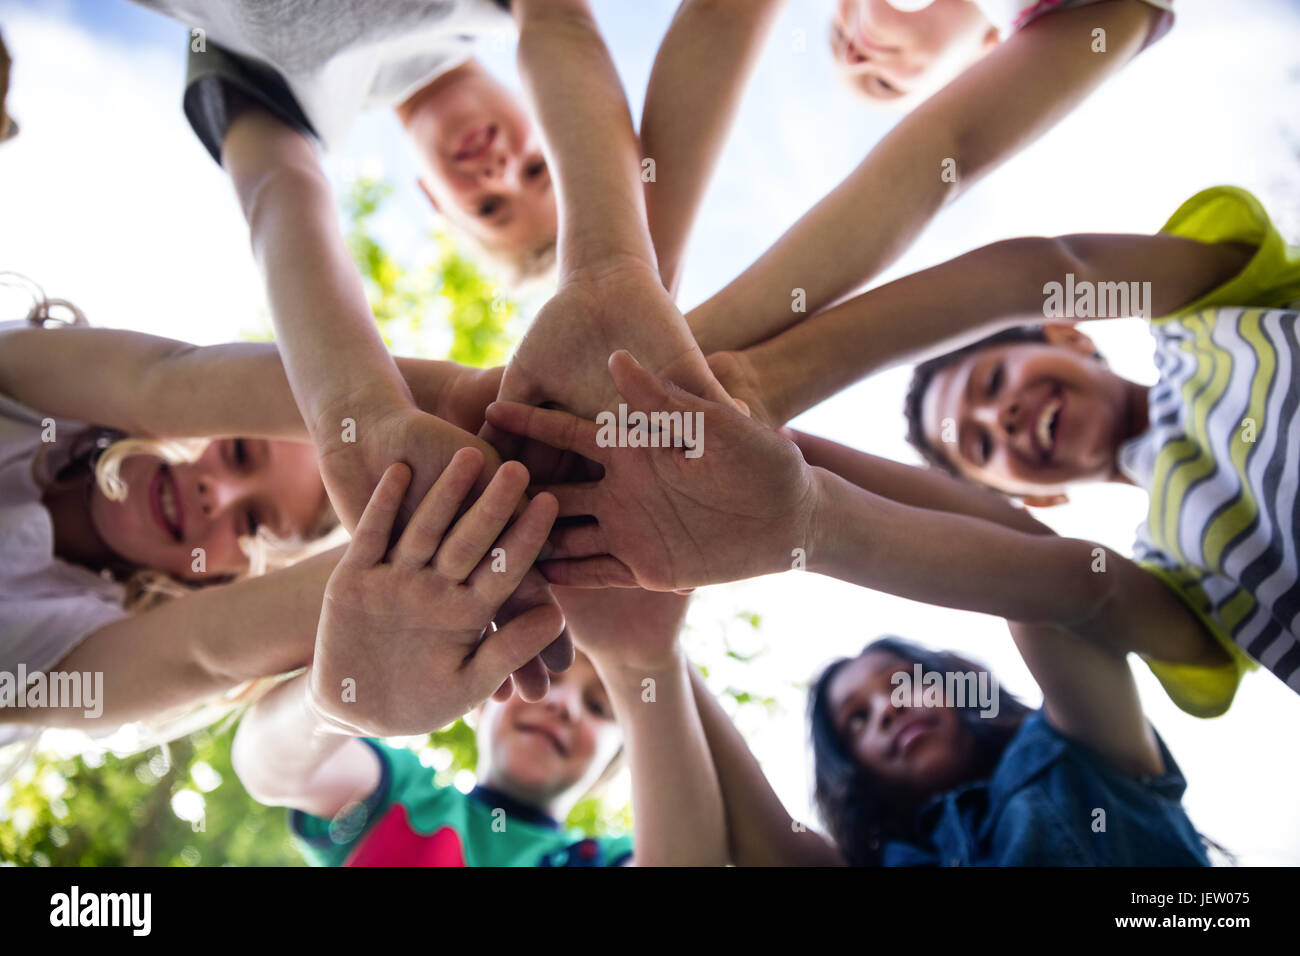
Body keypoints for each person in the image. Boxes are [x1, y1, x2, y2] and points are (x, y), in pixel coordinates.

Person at [0, 286, 558, 754]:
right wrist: (449, 396)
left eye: (249, 526)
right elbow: (165, 378)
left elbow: (204, 651)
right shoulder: (27, 400)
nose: (213, 495)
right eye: (238, 453)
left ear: (216, 578)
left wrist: (492, 540)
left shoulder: (72, 649)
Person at [233, 529, 726, 866]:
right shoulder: (403, 798)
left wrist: (650, 662)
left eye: (600, 707)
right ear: (482, 698)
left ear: (616, 761)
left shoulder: (605, 859)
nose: (564, 706)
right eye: (545, 678)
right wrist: (329, 703)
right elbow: (268, 768)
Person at [127, 0, 556, 284]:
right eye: (536, 168)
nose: (500, 174)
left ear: (433, 201)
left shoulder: (297, 124)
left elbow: (276, 210)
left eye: (489, 208)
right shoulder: (512, 9)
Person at [688, 635, 1212, 866]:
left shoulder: (1081, 743)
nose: (887, 711)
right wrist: (659, 650)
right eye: (857, 719)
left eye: (901, 684)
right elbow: (758, 831)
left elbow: (1038, 596)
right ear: (855, 772)